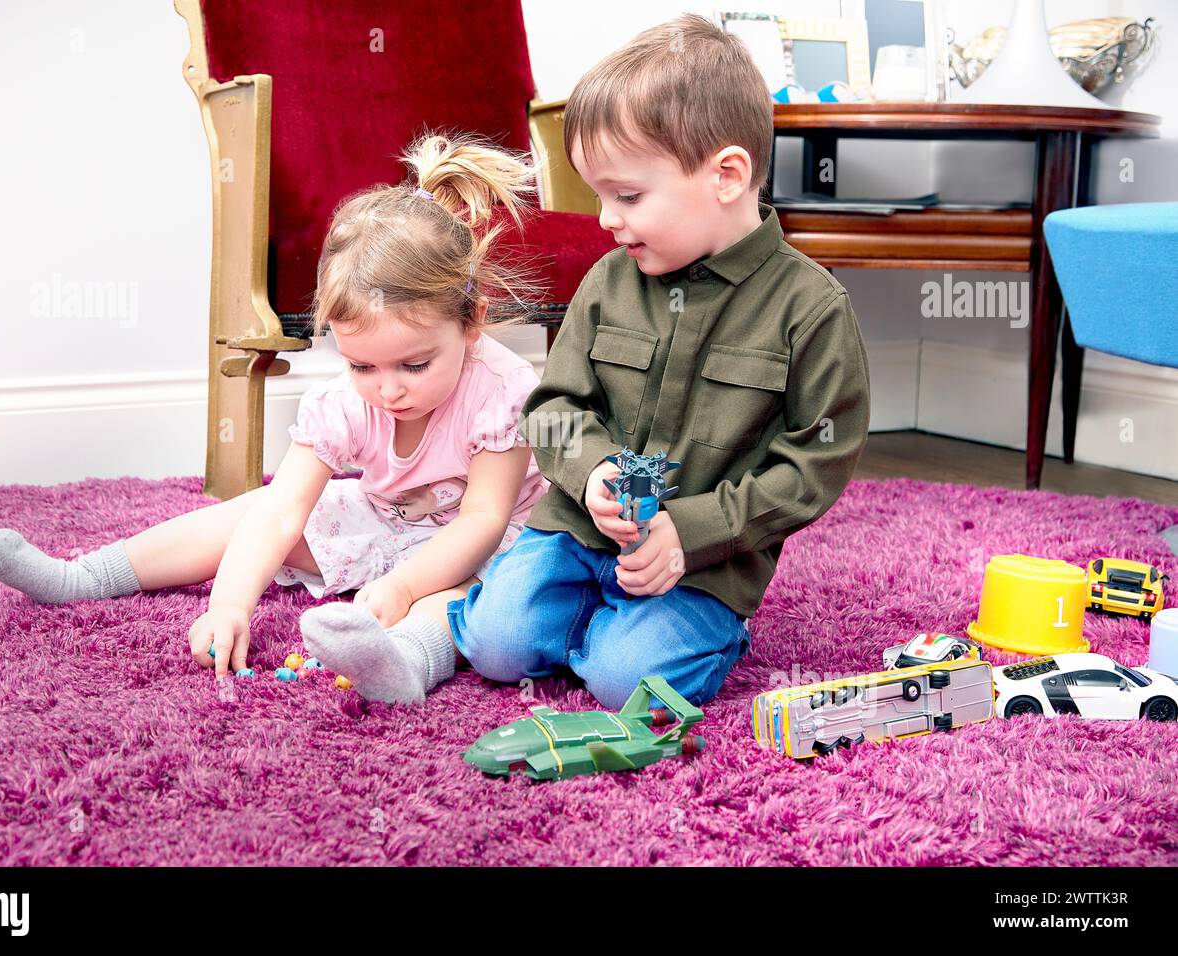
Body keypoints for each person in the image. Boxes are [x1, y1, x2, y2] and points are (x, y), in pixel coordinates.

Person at [302, 14, 871, 709]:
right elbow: (554, 407)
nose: (605, 218)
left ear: (726, 176)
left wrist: (690, 533)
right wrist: (593, 468)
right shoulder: (607, 283)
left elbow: (814, 463)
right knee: (499, 644)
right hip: (573, 531)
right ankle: (415, 653)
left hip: (700, 567)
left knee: (627, 682)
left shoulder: (811, 311)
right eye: (599, 195)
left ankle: (680, 637)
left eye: (627, 196)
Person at [0, 131, 549, 690]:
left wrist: (402, 588)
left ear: (471, 322)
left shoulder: (501, 391)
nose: (387, 391)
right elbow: (282, 511)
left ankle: (407, 660)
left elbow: (483, 519)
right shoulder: (344, 402)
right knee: (258, 510)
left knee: (479, 592)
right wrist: (229, 604)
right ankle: (87, 575)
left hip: (490, 538)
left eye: (414, 366)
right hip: (391, 517)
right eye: (362, 366)